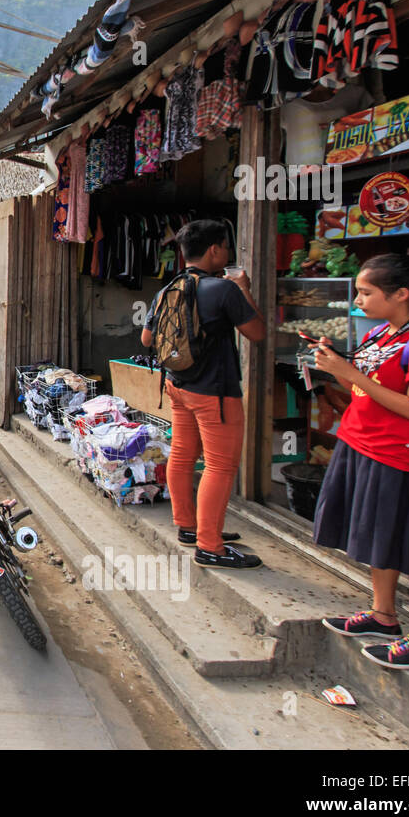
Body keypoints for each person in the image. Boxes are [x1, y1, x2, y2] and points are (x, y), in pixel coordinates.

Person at [310, 245, 409, 670]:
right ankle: (384, 615)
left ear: (401, 294)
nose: (357, 301)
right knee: (380, 536)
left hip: (403, 455)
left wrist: (349, 374)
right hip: (361, 445)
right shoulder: (384, 333)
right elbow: (366, 387)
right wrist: (337, 366)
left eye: (365, 292)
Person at [141, 219, 267, 568]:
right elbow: (257, 332)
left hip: (177, 386)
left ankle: (187, 526)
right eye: (225, 247)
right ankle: (210, 546)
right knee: (220, 466)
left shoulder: (167, 289)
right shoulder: (223, 290)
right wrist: (244, 289)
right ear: (215, 249)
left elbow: (146, 340)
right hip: (216, 392)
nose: (226, 253)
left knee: (182, 455)